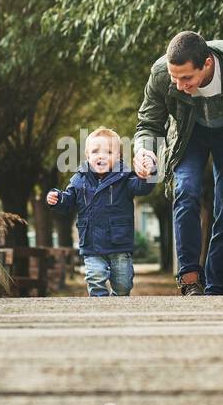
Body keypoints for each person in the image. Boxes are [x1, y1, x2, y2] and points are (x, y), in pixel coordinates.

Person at [132, 31, 223, 295]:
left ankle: (216, 288)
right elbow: (149, 123)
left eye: (187, 78)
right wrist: (144, 150)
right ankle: (189, 280)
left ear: (208, 63)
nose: (179, 85)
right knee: (185, 191)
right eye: (174, 77)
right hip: (190, 134)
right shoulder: (161, 73)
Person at [47, 127, 155, 297]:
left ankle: (117, 305)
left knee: (123, 283)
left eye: (109, 152)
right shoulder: (79, 180)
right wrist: (57, 198)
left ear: (118, 157)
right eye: (95, 151)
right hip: (91, 243)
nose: (101, 155)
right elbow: (68, 201)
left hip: (119, 242)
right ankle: (99, 307)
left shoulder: (125, 178)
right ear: (87, 156)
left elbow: (142, 187)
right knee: (95, 278)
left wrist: (148, 174)